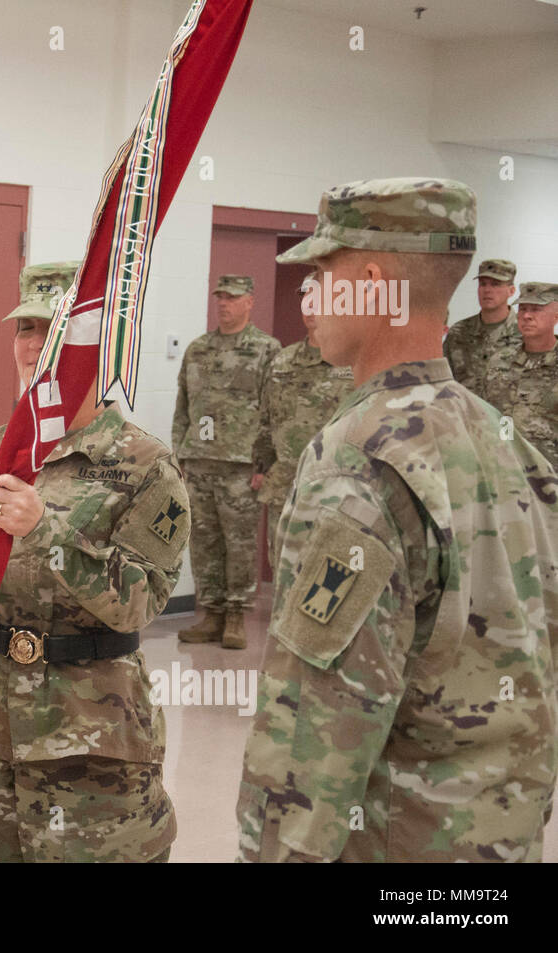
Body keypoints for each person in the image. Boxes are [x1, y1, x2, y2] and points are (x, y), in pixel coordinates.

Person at [237, 177, 558, 862]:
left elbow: (317, 731)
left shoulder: (357, 459)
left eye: (323, 270)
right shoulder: (509, 442)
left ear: (372, 281)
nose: (311, 295)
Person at [0, 261, 190, 863]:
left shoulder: (143, 466)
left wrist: (46, 531)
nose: (32, 345)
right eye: (23, 329)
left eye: (51, 330)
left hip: (92, 739)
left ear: (93, 347)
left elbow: (142, 599)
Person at [172, 275, 280, 649]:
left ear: (249, 301)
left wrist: (264, 464)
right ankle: (212, 612)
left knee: (239, 543)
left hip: (241, 463)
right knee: (203, 541)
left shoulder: (266, 349)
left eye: (232, 298)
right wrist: (179, 454)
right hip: (199, 460)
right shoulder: (198, 349)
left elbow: (273, 410)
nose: (224, 304)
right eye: (220, 297)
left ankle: (236, 615)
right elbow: (184, 406)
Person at [251, 273, 353, 567]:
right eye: (305, 298)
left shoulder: (353, 358)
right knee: (284, 567)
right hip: (287, 485)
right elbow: (266, 420)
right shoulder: (283, 360)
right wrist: (261, 465)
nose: (310, 305)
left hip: (338, 488)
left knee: (330, 574)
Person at [483, 282, 558, 469]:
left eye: (536, 309)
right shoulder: (500, 361)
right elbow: (491, 416)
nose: (526, 316)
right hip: (506, 472)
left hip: (551, 477)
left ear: (556, 316)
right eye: (522, 309)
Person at [443, 258, 519, 398]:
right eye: (483, 284)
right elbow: (444, 381)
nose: (487, 290)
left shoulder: (525, 333)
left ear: (511, 291)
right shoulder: (459, 332)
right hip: (467, 416)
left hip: (508, 418)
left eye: (495, 284)